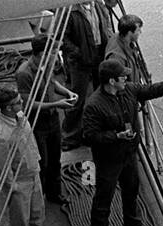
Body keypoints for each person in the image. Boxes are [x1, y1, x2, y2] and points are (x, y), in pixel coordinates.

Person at [81, 59, 163, 226]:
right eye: (122, 76)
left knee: (132, 189)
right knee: (104, 195)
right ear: (111, 81)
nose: (126, 78)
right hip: (109, 159)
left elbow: (150, 90)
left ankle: (132, 222)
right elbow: (89, 136)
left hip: (129, 153)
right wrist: (116, 136)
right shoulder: (94, 105)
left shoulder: (129, 89)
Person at [0, 85, 63, 226]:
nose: (22, 102)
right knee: (20, 218)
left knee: (37, 211)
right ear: (8, 107)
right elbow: (1, 167)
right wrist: (11, 187)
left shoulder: (20, 117)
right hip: (19, 181)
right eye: (18, 102)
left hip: (33, 172)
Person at [15, 34, 76, 203]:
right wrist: (56, 104)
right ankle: (38, 197)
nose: (54, 55)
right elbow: (28, 104)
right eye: (51, 52)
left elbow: (52, 83)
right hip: (37, 123)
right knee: (41, 162)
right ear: (42, 53)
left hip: (52, 120)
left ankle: (54, 193)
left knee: (55, 159)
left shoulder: (47, 65)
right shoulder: (24, 74)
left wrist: (67, 93)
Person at [60, 1, 114, 149]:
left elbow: (107, 26)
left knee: (101, 94)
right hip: (80, 61)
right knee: (77, 98)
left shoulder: (99, 6)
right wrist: (77, 53)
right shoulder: (70, 11)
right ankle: (70, 137)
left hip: (99, 56)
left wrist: (108, 44)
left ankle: (94, 131)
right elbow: (62, 37)